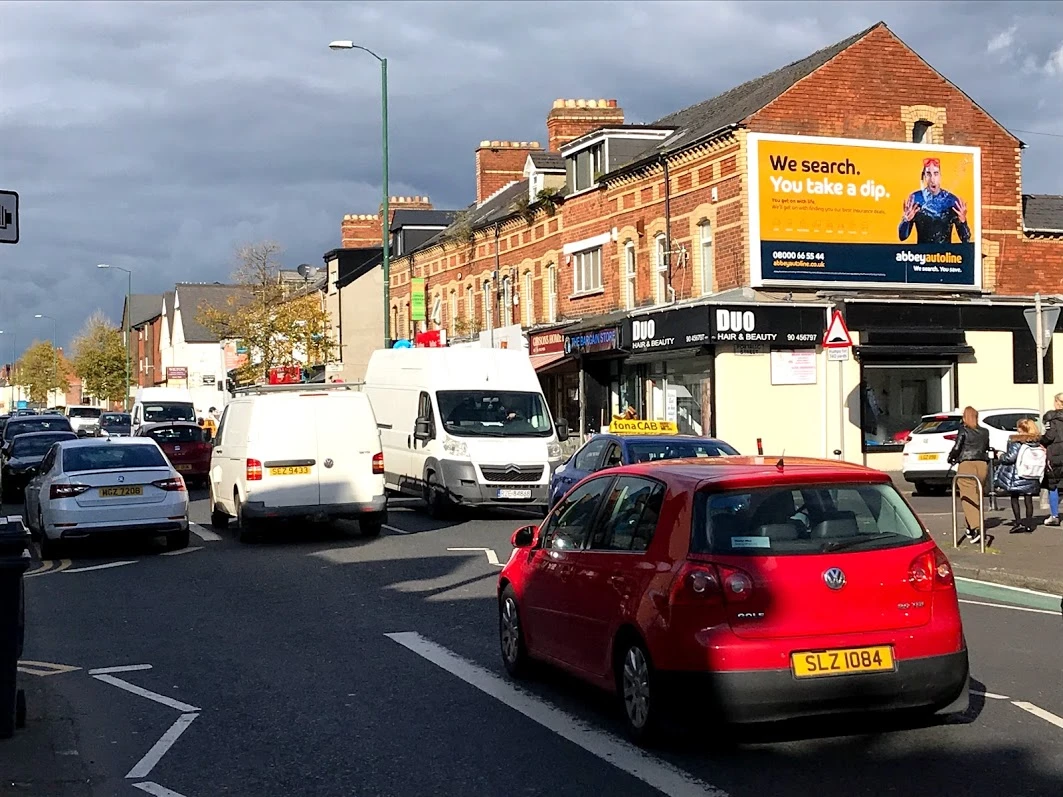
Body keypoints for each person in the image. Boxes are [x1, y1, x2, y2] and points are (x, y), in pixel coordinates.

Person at [898, 157, 971, 244]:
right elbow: (902, 237)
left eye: (936, 174)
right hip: (922, 255)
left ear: (940, 176)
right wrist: (906, 220)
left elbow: (966, 239)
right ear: (924, 176)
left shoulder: (951, 201)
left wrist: (963, 222)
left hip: (945, 256)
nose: (932, 179)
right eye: (928, 174)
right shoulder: (916, 199)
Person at [993, 418, 1045, 532]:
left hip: (1017, 474)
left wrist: (1000, 455)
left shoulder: (1016, 441)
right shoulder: (1036, 441)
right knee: (1028, 499)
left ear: (1020, 429)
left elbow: (1010, 458)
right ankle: (1029, 524)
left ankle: (1018, 522)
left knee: (1015, 497)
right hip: (1032, 473)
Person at [948, 406, 990, 544]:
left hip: (967, 465)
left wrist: (951, 458)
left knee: (967, 497)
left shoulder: (963, 430)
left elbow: (957, 447)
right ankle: (970, 528)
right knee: (976, 496)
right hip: (982, 465)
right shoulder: (985, 432)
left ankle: (977, 528)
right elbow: (986, 448)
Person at [1040, 394, 1063, 526]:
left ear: (1056, 402)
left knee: (1052, 484)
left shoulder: (1051, 417)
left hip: (1055, 453)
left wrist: (1041, 441)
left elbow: (1049, 436)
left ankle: (1054, 515)